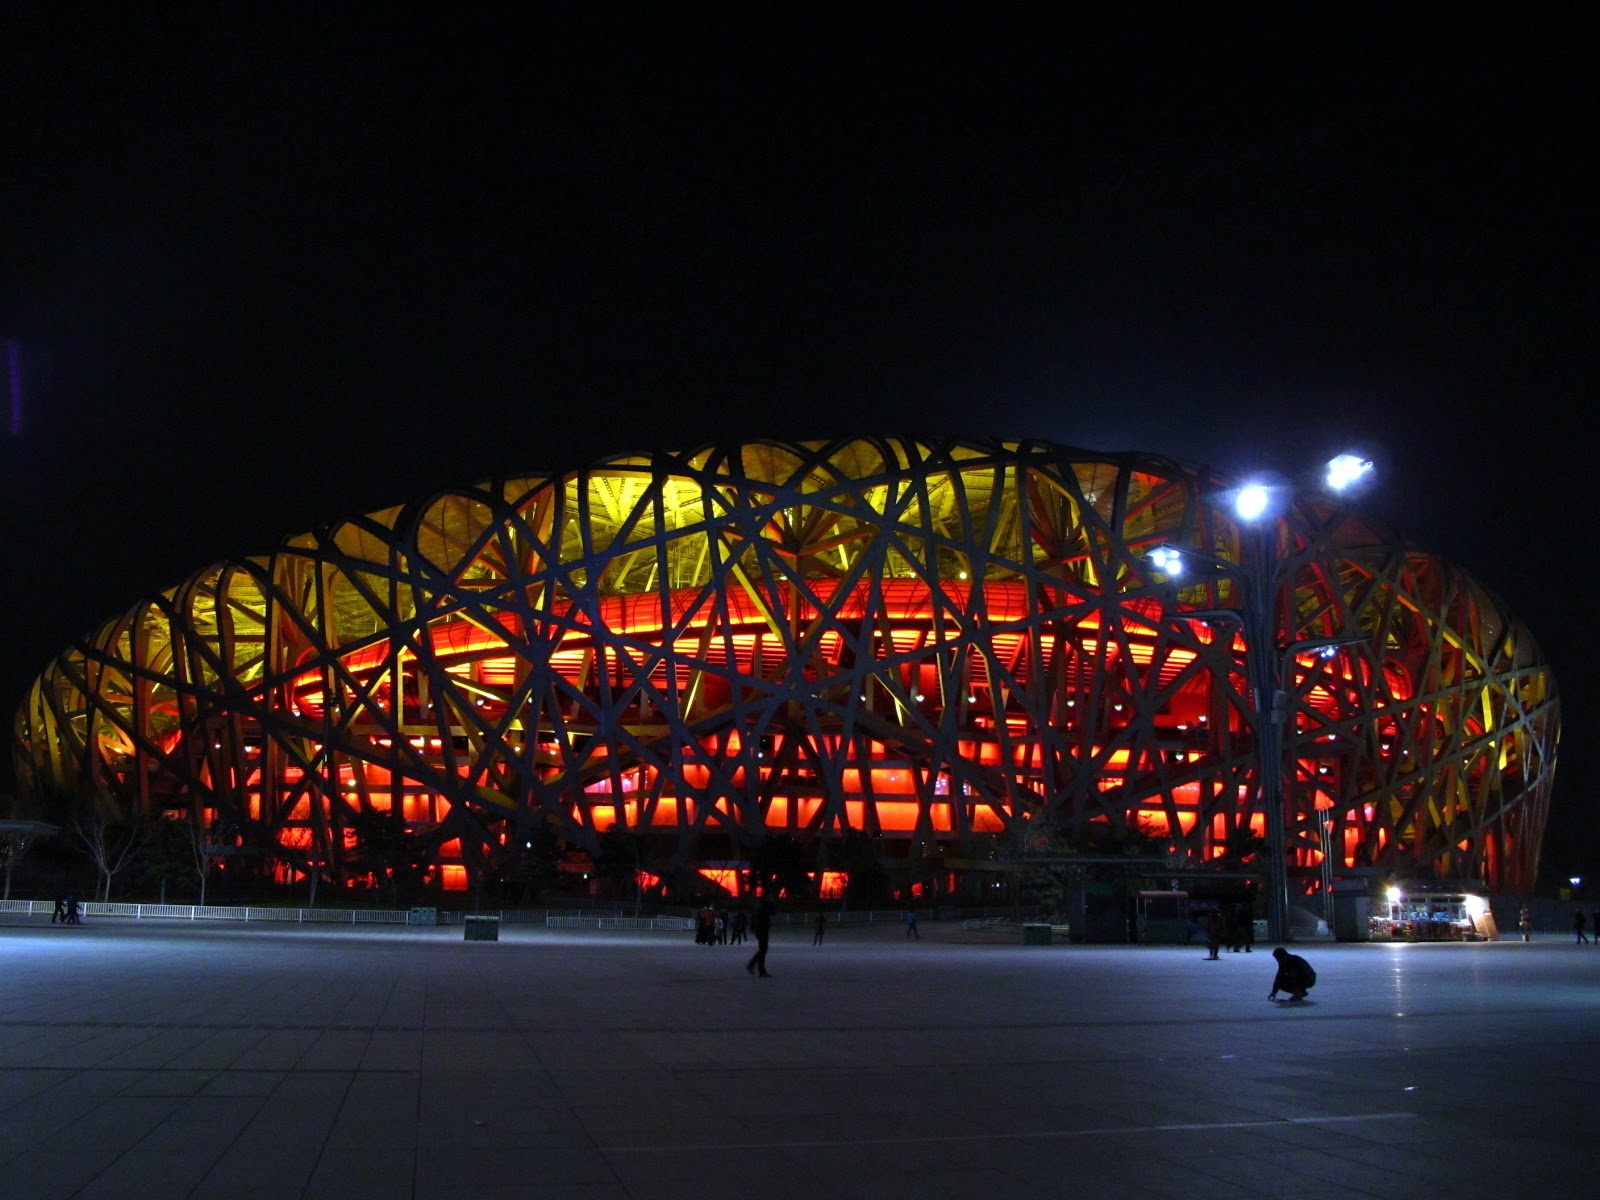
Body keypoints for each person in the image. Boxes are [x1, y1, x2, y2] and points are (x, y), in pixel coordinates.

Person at [745, 894, 775, 978]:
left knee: (763, 949)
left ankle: (754, 966)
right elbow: (773, 912)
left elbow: (753, 916)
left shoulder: (758, 905)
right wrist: (772, 903)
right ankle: (758, 969)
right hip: (762, 928)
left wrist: (753, 928)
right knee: (763, 949)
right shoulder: (764, 906)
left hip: (759, 929)